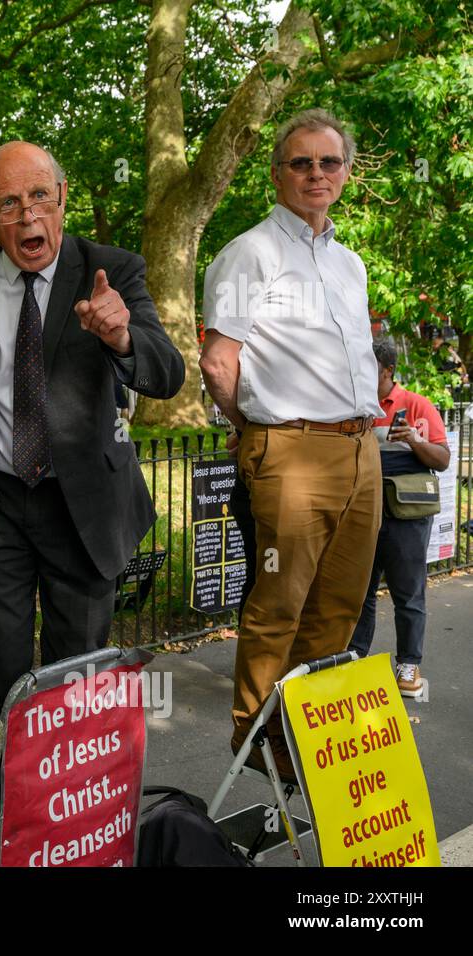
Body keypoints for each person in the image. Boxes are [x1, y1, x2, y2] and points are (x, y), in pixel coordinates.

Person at [0, 141, 185, 826]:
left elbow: (167, 372)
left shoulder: (111, 271)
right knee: (1, 684)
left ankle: (76, 828)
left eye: (38, 197)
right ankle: (8, 829)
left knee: (76, 684)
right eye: (8, 202)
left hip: (81, 512)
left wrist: (122, 338)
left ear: (61, 199)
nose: (27, 215)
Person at [200, 109, 383, 779]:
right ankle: (257, 740)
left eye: (328, 162)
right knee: (280, 602)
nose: (315, 173)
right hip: (292, 450)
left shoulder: (349, 262)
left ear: (345, 173)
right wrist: (254, 435)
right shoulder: (252, 252)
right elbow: (219, 361)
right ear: (278, 174)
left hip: (362, 449)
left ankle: (311, 730)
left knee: (340, 606)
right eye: (301, 162)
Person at [349, 337, 449, 695]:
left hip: (406, 514)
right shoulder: (354, 404)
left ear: (388, 370)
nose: (360, 374)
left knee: (408, 592)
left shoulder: (416, 405)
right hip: (363, 508)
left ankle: (408, 664)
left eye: (369, 369)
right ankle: (354, 657)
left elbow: (443, 459)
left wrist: (415, 442)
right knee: (360, 590)